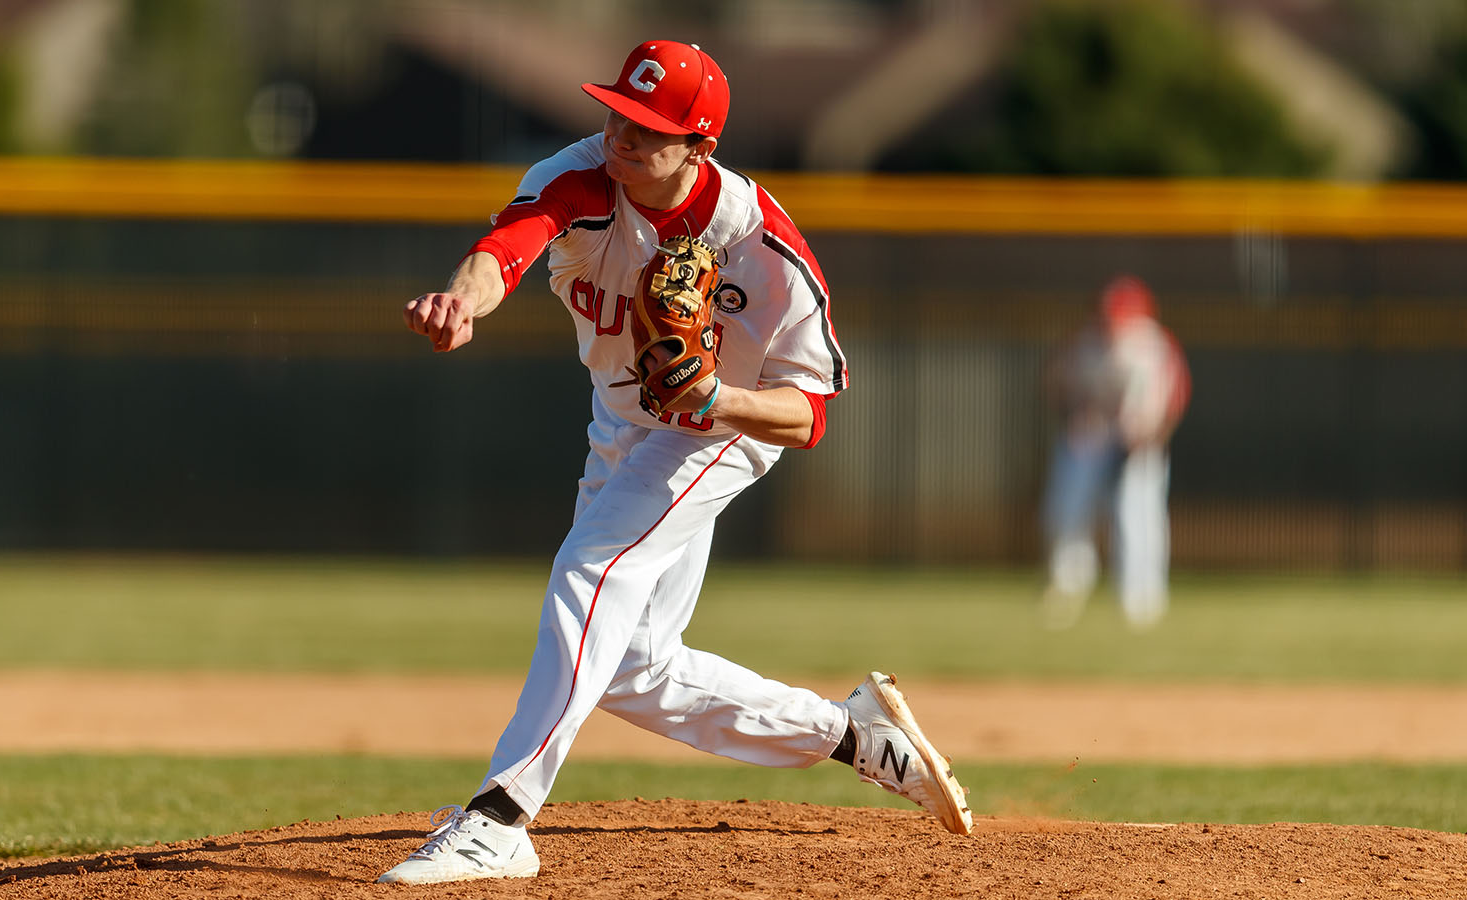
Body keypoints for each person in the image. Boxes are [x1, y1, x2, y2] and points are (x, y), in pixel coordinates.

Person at [376, 39, 973, 886]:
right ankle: (856, 736)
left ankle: (502, 817)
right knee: (633, 669)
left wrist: (716, 400)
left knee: (592, 569)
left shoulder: (760, 244)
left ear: (700, 146)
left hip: (720, 428)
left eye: (649, 129)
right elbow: (506, 247)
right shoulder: (578, 179)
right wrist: (461, 301)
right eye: (618, 114)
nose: (622, 137)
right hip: (620, 423)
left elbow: (809, 415)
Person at [1039, 275, 1191, 630]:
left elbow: (1174, 400)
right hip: (1095, 434)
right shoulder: (1084, 343)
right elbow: (1056, 385)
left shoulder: (1153, 347)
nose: (1112, 325)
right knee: (1065, 506)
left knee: (1136, 514)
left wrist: (1149, 439)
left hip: (1142, 436)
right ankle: (1066, 584)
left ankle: (1141, 597)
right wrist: (1073, 419)